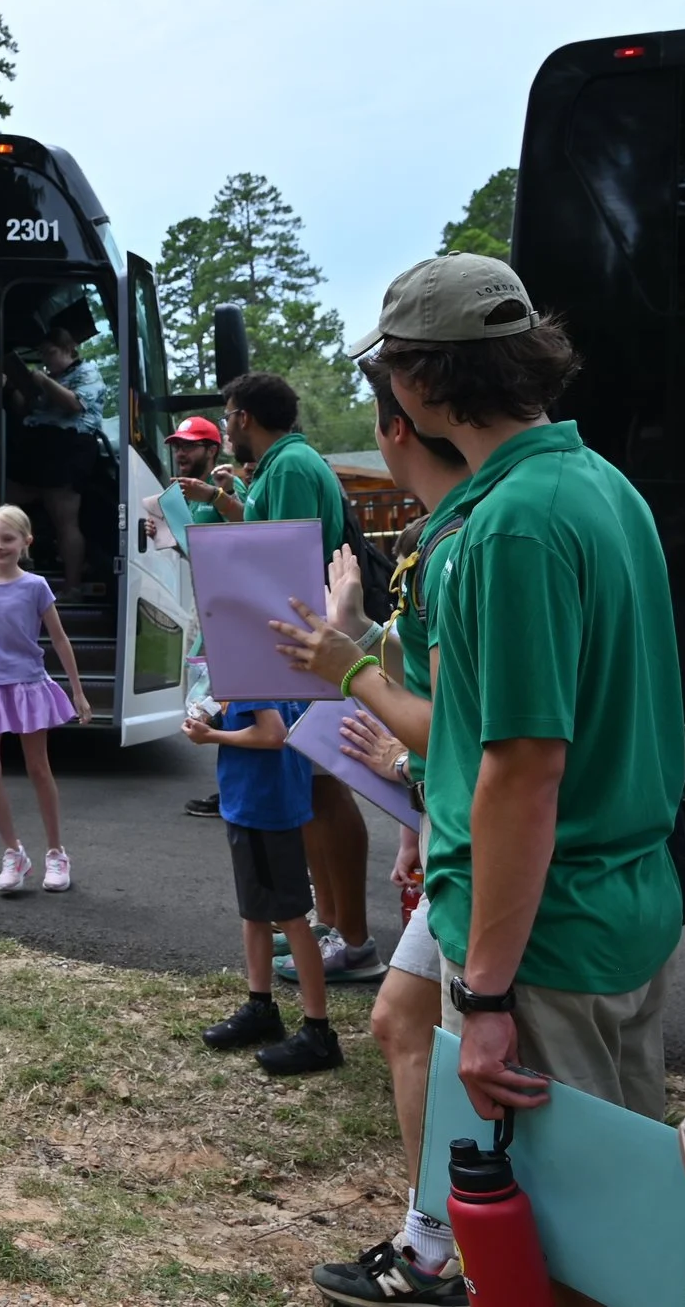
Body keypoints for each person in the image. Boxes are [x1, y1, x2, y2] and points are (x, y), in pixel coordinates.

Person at [349, 252, 685, 1124]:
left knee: (558, 1204)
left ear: (422, 381)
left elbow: (524, 770)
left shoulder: (509, 526)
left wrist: (488, 993)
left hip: (546, 939)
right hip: (622, 904)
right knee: (620, 1193)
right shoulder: (602, 482)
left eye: (390, 365)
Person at [273, 360, 474, 1305]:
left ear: (397, 429)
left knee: (490, 1057)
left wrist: (397, 756)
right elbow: (427, 670)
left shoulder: (474, 535)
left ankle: (472, 1248)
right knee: (399, 1019)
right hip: (460, 841)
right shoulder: (444, 533)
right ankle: (429, 1244)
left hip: (503, 858)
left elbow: (487, 734)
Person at [216, 370, 381, 983]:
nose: (227, 426)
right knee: (312, 790)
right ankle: (331, 925)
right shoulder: (287, 464)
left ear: (243, 417)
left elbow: (279, 563)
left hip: (306, 647)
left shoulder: (287, 466)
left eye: (228, 414)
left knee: (325, 789)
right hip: (305, 644)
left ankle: (354, 940)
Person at [183, 698, 344, 1076]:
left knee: (290, 919)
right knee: (254, 911)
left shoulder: (250, 669)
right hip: (256, 801)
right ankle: (261, 1007)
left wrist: (210, 736)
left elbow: (273, 734)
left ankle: (318, 1033)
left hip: (262, 805)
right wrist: (214, 717)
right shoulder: (264, 669)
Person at [0, 505, 92, 894]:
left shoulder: (35, 586)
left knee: (38, 768)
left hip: (27, 684)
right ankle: (13, 852)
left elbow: (59, 639)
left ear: (25, 542)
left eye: (7, 539)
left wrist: (78, 691)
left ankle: (56, 852)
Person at [159, 413, 242, 819]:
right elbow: (201, 547)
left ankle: (235, 791)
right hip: (206, 601)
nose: (181, 453)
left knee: (222, 695)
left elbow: (244, 530)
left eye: (189, 446)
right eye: (177, 446)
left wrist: (217, 494)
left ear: (211, 450)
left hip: (228, 606)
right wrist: (167, 539)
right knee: (209, 693)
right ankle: (230, 788)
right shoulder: (188, 493)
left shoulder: (224, 486)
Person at [1, 327, 108, 587]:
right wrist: (17, 387)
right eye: (43, 354)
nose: (46, 360)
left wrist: (44, 381)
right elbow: (27, 409)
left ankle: (73, 586)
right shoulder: (51, 376)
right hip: (36, 448)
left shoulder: (87, 373)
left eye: (50, 353)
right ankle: (17, 564)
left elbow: (74, 404)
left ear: (69, 349)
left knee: (65, 519)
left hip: (67, 448)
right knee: (4, 502)